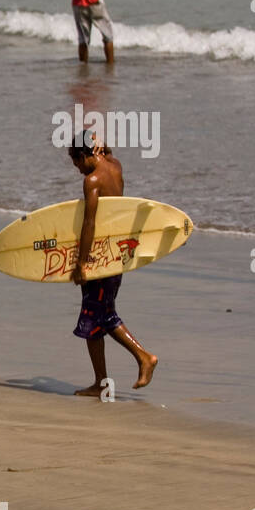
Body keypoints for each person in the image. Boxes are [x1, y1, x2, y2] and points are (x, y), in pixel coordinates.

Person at [67, 134, 157, 396]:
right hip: (116, 251)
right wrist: (103, 146)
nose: (78, 170)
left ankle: (144, 357)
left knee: (103, 317)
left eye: (77, 164)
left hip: (99, 257)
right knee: (92, 322)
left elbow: (89, 223)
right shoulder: (115, 165)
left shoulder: (92, 181)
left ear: (84, 156)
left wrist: (81, 263)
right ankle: (101, 383)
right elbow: (108, 154)